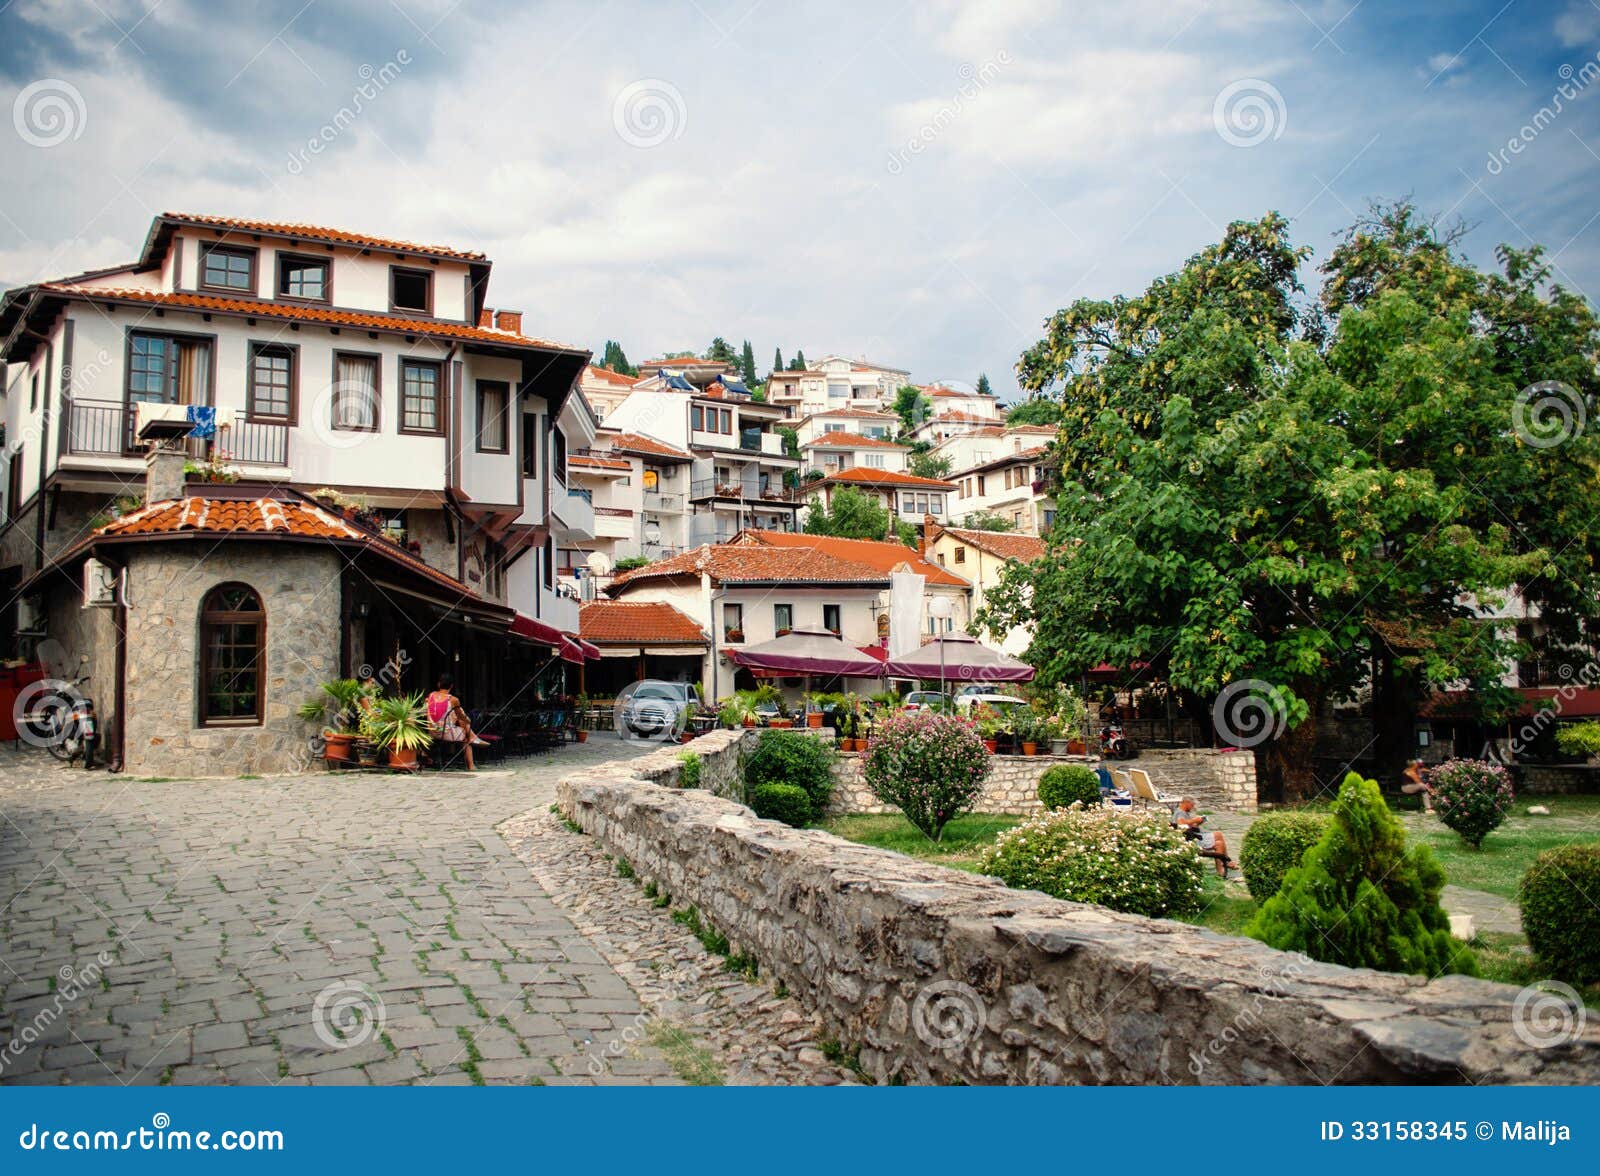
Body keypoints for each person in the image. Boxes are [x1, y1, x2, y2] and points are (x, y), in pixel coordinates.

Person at [425, 674, 485, 770]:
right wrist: (468, 720)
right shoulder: (453, 700)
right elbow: (462, 717)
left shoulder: (431, 695)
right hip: (445, 733)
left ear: (438, 684)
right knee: (466, 736)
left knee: (454, 716)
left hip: (432, 732)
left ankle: (473, 736)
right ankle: (471, 765)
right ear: (451, 686)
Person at [1172, 797, 1241, 878]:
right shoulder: (1180, 812)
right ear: (1186, 803)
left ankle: (1221, 868)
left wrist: (1199, 822)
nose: (1193, 807)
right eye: (1192, 805)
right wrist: (1195, 820)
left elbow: (1190, 826)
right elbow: (1181, 824)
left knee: (1219, 844)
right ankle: (1227, 862)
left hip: (1193, 835)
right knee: (1218, 834)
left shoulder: (1184, 812)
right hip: (1192, 839)